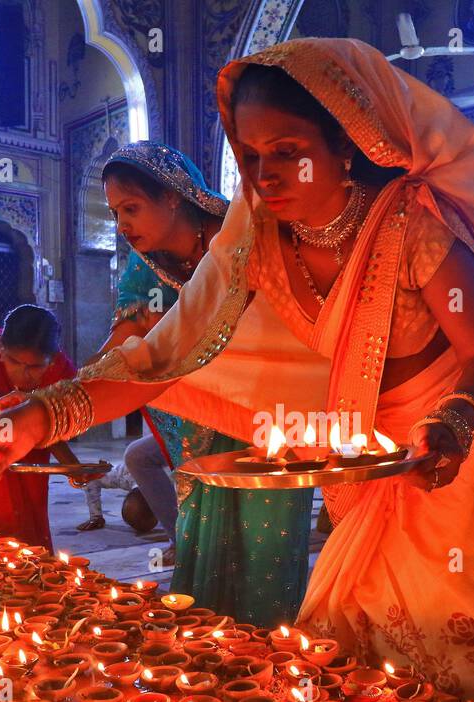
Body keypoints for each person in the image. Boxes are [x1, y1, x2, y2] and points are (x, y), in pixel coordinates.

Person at [0, 37, 474, 702]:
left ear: (344, 147)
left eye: (288, 152)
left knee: (459, 642)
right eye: (251, 158)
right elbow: (164, 355)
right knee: (361, 627)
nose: (266, 177)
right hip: (376, 445)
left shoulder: (412, 225)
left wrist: (452, 425)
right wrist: (31, 419)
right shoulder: (256, 237)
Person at [91, 141, 315, 622]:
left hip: (268, 418)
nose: (122, 226)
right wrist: (56, 400)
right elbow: (125, 342)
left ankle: (269, 660)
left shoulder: (246, 238)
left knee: (266, 544)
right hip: (197, 420)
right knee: (202, 533)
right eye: (115, 214)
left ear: (173, 195)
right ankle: (213, 658)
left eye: (131, 209)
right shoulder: (144, 268)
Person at [0, 305, 82, 552]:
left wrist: (73, 466)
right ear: (2, 348)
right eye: (14, 362)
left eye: (35, 367)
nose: (23, 374)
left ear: (51, 359)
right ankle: (7, 567)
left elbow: (53, 422)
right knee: (4, 509)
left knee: (33, 504)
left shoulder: (60, 372)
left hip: (38, 447)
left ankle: (35, 566)